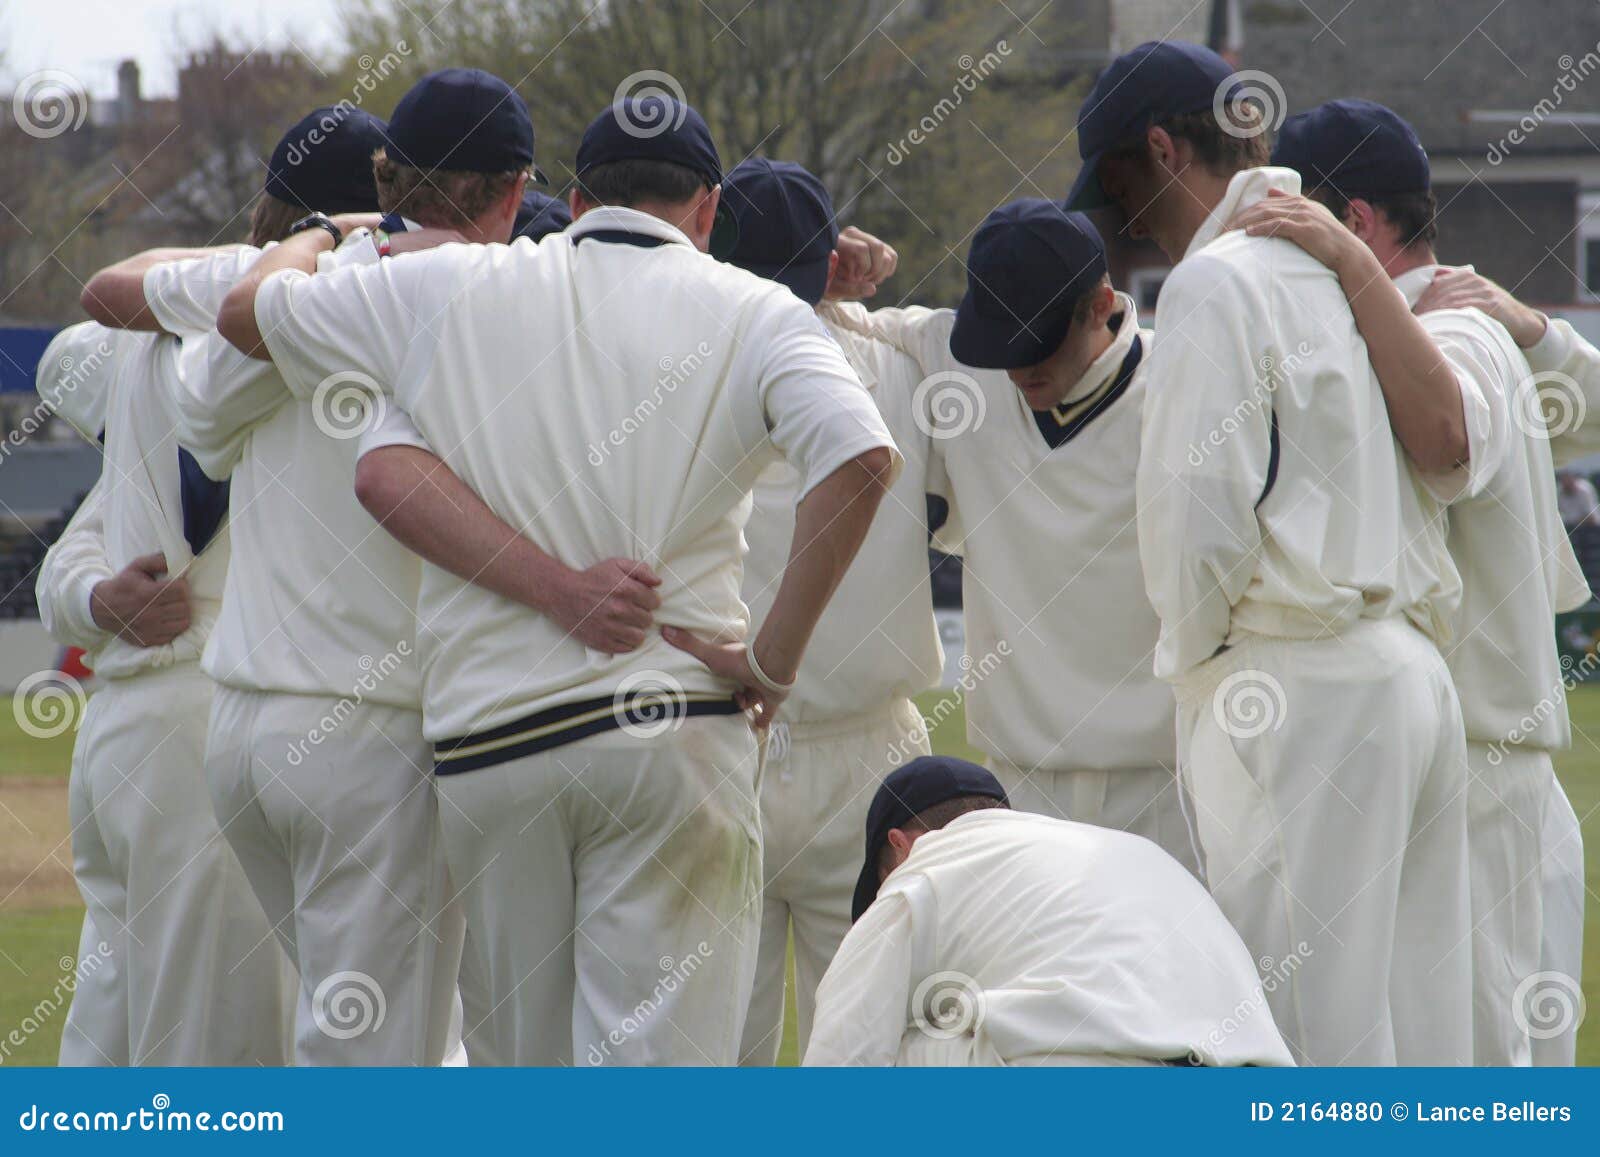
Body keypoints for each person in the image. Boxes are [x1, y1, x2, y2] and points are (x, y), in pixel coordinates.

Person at [216, 94, 899, 1066]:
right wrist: (772, 662)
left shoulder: (457, 285)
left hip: (492, 744)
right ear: (708, 208)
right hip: (673, 734)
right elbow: (862, 461)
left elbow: (249, 319)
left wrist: (324, 232)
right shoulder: (755, 309)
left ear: (575, 199)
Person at [1072, 40, 1471, 1065]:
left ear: (1160, 149)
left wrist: (1199, 667)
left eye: (1113, 178)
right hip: (1408, 675)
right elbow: (1448, 457)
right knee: (1418, 1034)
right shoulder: (1333, 260)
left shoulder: (1213, 282)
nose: (1112, 211)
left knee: (1297, 1040)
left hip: (1295, 683)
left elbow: (1196, 522)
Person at [31, 105, 390, 1065]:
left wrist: (93, 602)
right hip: (222, 706)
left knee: (111, 1020)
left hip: (128, 730)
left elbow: (82, 352)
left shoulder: (146, 329)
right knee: (222, 1050)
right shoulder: (337, 333)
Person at [1246, 98, 1590, 1065]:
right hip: (1450, 783)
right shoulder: (1426, 330)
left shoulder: (1453, 334)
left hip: (1481, 788)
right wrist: (1542, 335)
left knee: (1478, 1091)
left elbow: (1449, 435)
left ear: (1355, 225)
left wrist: (1516, 326)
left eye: (1297, 234)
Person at [823, 200, 1198, 876]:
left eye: (1038, 342)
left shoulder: (1183, 384)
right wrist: (825, 255)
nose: (1018, 367)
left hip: (1166, 788)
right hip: (1017, 788)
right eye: (1001, 344)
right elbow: (819, 318)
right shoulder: (967, 361)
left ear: (1102, 305)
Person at [712, 157, 943, 1064]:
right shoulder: (900, 358)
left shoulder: (669, 358)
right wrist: (850, 293)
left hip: (719, 735)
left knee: (716, 1050)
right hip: (868, 751)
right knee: (872, 1049)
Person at [1386, 256, 1600, 1069]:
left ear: (1359, 223)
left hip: (1483, 755)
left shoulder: (1457, 334)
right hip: (1467, 755)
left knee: (1492, 1051)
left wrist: (1534, 327)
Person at [804, 756, 1293, 1067]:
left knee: (895, 1048)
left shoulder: (922, 868)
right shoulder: (1127, 850)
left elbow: (841, 1053)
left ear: (899, 846)